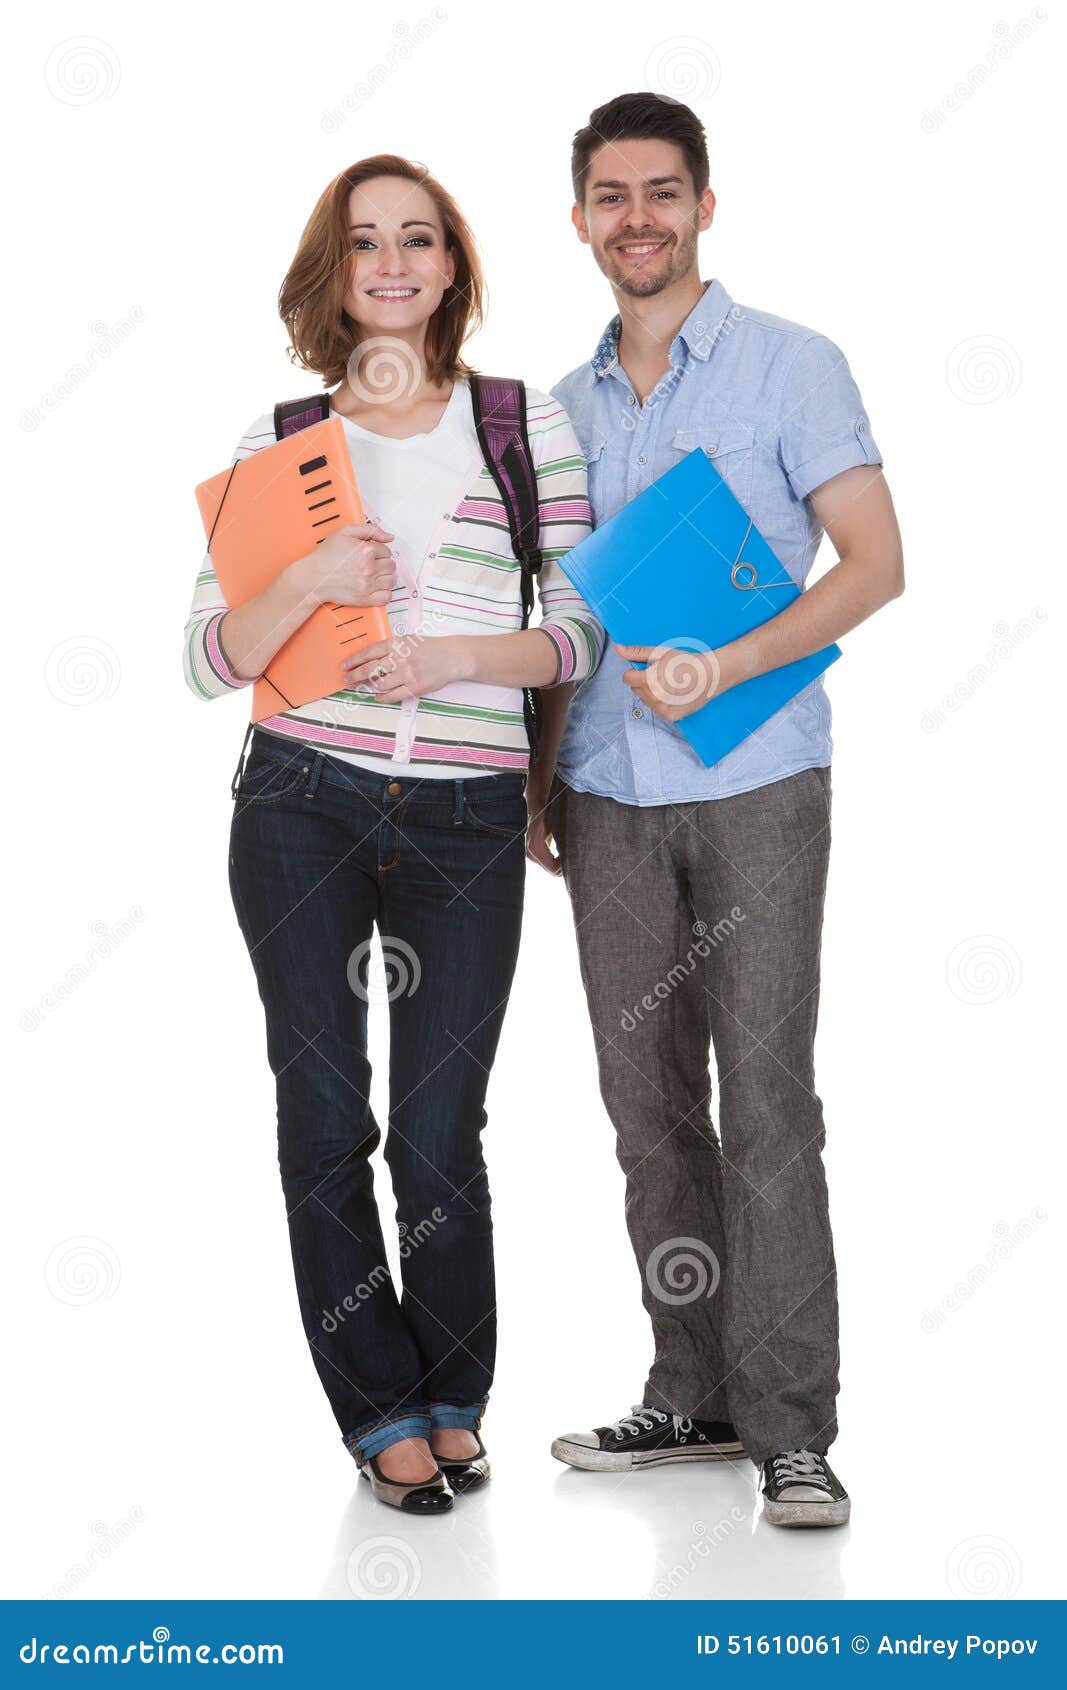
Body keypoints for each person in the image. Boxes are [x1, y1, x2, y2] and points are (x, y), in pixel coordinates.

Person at [184, 154, 603, 1515]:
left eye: (418, 238)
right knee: (324, 1114)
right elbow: (208, 655)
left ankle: (454, 1389)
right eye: (366, 242)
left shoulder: (518, 421)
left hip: (472, 817)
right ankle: (379, 1405)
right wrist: (306, 572)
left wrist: (452, 654)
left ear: (450, 265)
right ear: (335, 269)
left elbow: (586, 631)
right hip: (300, 804)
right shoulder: (283, 435)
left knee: (436, 1129)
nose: (393, 262)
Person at [531, 94, 904, 1527]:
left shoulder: (793, 366)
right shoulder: (557, 413)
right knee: (644, 1110)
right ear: (580, 221)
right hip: (607, 796)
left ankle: (792, 1423)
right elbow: (560, 614)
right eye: (613, 196)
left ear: (703, 204)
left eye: (663, 192)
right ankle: (692, 1387)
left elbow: (873, 562)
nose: (640, 217)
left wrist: (731, 660)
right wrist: (538, 770)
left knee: (768, 1106)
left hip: (757, 785)